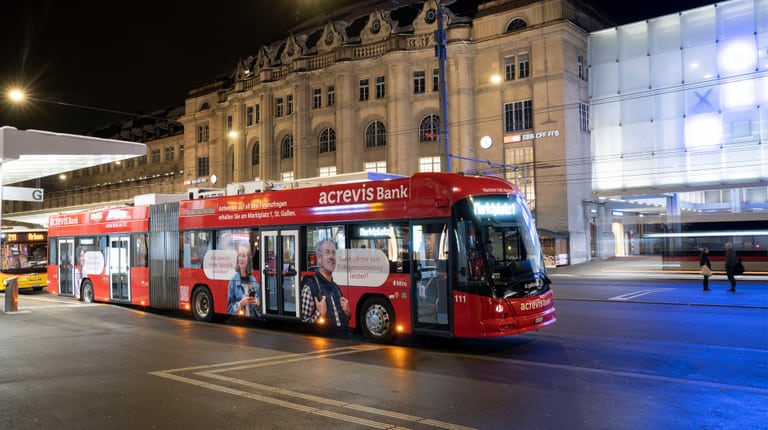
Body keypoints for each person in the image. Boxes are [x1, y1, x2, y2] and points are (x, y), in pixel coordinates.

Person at [300, 239, 350, 331]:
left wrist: (347, 314)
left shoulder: (336, 288)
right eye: (327, 252)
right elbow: (304, 324)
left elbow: (341, 324)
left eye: (333, 253)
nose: (331, 257)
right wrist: (319, 313)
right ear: (319, 257)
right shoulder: (309, 288)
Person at [227, 243, 261, 317]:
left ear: (248, 259)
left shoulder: (253, 280)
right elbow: (229, 310)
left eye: (244, 256)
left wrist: (257, 302)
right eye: (239, 255)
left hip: (252, 322)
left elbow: (260, 305)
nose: (241, 259)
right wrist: (240, 304)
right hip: (240, 323)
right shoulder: (233, 282)